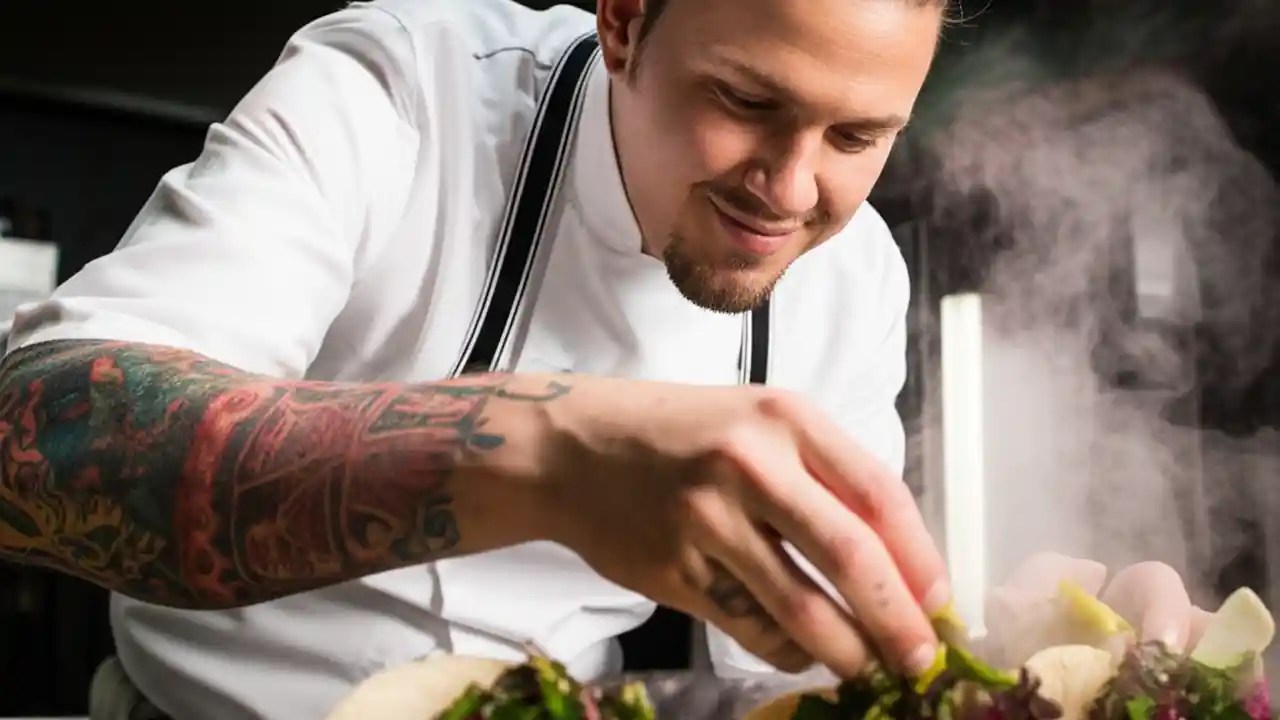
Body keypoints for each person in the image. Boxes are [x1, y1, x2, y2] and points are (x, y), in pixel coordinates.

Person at [0, 0, 1207, 718]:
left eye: (854, 136)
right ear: (623, 17)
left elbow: (797, 677)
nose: (791, 191)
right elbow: (34, 439)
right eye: (745, 102)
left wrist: (1006, 673)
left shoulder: (851, 275)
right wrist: (551, 452)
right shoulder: (397, 89)